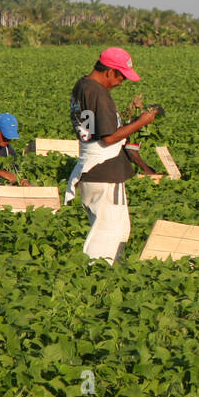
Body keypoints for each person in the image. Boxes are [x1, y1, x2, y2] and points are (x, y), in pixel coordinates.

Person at [64, 47, 160, 264]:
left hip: (90, 170)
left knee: (114, 228)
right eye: (120, 76)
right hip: (105, 172)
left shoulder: (83, 87)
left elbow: (95, 129)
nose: (121, 82)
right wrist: (141, 122)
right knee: (110, 231)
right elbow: (108, 138)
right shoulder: (98, 92)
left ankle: (103, 273)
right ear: (108, 72)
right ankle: (95, 273)